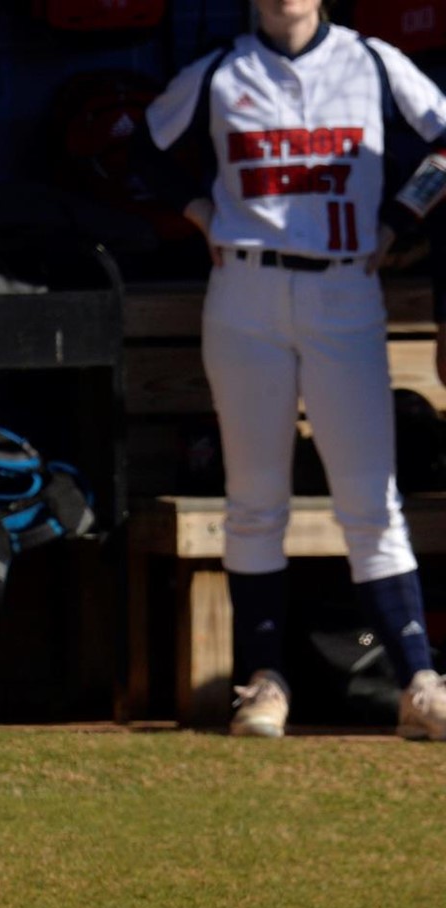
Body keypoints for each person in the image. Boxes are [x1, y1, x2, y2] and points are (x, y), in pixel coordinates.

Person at [145, 0, 446, 739]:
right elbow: (138, 150)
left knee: (370, 498)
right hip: (245, 291)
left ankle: (418, 680)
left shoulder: (373, 60)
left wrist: (402, 216)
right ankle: (265, 683)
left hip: (346, 286)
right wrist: (195, 209)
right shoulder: (220, 69)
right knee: (253, 499)